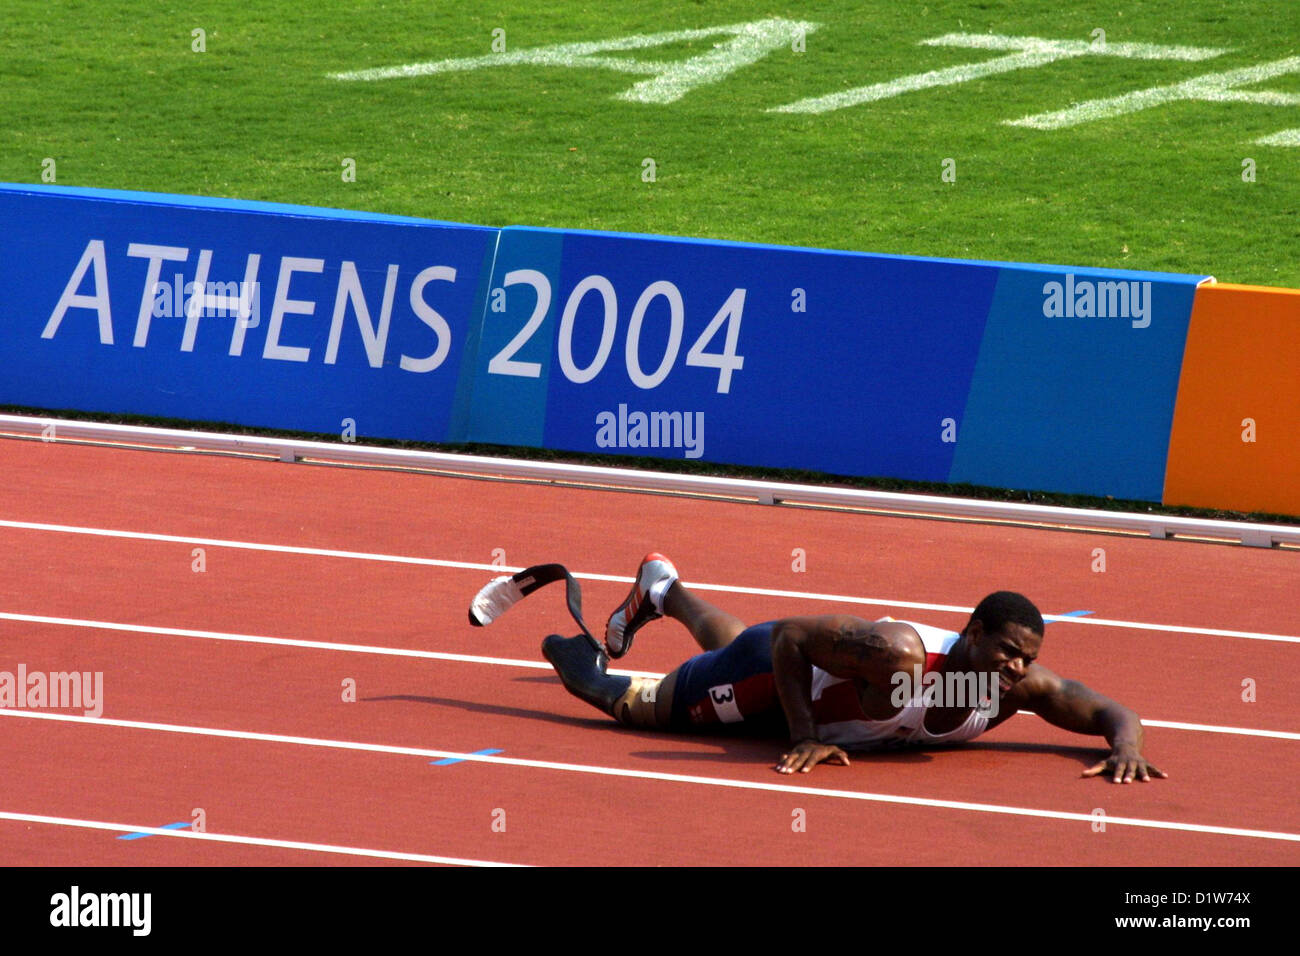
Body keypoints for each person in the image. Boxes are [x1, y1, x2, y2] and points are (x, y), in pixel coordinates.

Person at [474, 553, 1167, 783]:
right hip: (776, 675)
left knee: (729, 637)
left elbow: (1110, 711)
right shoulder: (899, 657)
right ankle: (565, 643)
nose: (1017, 668)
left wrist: (1127, 750)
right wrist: (802, 734)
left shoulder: (1010, 693)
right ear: (971, 632)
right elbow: (793, 641)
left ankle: (662, 589)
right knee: (628, 702)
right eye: (1008, 650)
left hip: (814, 675)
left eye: (1028, 659)